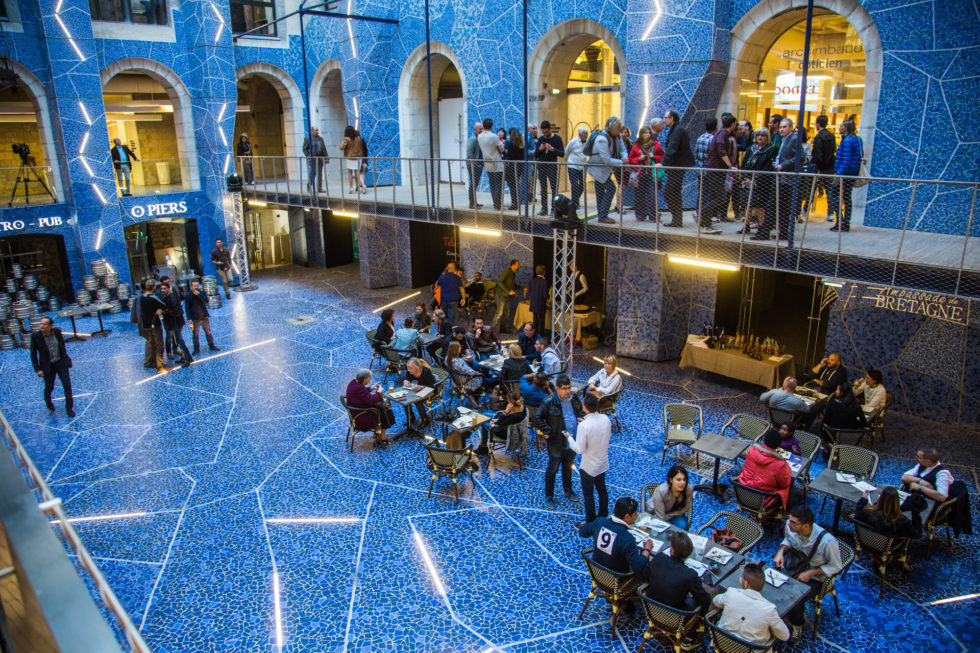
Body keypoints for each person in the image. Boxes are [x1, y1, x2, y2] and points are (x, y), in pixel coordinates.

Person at [774, 505, 843, 642]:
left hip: (815, 577)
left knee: (796, 598)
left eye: (794, 523)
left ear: (806, 525)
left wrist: (811, 573)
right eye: (789, 520)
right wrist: (780, 552)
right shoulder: (790, 527)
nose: (789, 524)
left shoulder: (828, 542)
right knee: (770, 580)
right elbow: (788, 540)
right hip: (794, 566)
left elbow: (836, 567)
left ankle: (797, 626)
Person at [712, 563, 790, 647]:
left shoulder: (731, 593)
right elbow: (785, 636)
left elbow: (716, 601)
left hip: (721, 643)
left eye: (741, 576)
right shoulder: (769, 609)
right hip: (750, 650)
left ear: (746, 583)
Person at [533, 375, 582, 509]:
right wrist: (548, 430)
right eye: (564, 388)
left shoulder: (574, 399)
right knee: (552, 469)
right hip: (557, 442)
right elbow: (536, 417)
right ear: (557, 389)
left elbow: (581, 411)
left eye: (569, 388)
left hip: (572, 441)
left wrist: (581, 419)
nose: (568, 391)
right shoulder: (549, 402)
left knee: (568, 467)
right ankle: (549, 496)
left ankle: (568, 490)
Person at [566, 393, 612, 526]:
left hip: (589, 466)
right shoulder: (605, 419)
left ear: (584, 407)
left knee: (588, 494)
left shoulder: (584, 426)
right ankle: (603, 514)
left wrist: (569, 438)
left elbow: (579, 449)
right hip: (602, 462)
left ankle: (590, 521)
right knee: (602, 490)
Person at [640, 531, 712, 615]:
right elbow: (705, 600)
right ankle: (701, 620)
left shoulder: (659, 558)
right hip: (675, 617)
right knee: (701, 599)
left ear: (671, 549)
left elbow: (645, 577)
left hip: (650, 609)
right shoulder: (690, 575)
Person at [578, 497, 652, 575]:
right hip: (616, 578)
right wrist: (647, 549)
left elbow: (582, 532)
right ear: (627, 516)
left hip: (596, 571)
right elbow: (638, 567)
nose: (637, 516)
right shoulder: (627, 538)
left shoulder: (600, 521)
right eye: (635, 514)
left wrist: (602, 522)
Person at [30, 315, 75, 417]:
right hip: (48, 365)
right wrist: (37, 369)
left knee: (67, 385)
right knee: (49, 387)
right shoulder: (35, 337)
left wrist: (65, 358)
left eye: (44, 324)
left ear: (50, 326)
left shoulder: (57, 332)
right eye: (41, 324)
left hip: (60, 363)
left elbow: (62, 346)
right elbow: (33, 354)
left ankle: (69, 408)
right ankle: (48, 403)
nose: (42, 326)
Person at [587, 116, 627, 224]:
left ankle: (601, 215)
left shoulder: (617, 135)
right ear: (611, 127)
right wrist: (622, 162)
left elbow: (622, 149)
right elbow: (606, 160)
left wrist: (625, 157)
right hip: (598, 169)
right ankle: (603, 215)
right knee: (611, 188)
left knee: (600, 191)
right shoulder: (601, 139)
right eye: (618, 127)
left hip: (606, 169)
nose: (620, 129)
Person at [739, 429, 793, 508]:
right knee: (787, 486)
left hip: (743, 491)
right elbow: (785, 484)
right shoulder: (779, 464)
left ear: (764, 440)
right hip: (763, 498)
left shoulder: (751, 450)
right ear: (778, 445)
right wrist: (786, 467)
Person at [703, 114, 739, 228]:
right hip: (716, 170)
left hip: (714, 170)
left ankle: (705, 221)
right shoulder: (723, 134)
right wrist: (730, 166)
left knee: (714, 196)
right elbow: (721, 150)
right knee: (720, 197)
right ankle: (702, 214)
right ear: (733, 124)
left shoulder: (720, 133)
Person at [742, 129, 778, 238]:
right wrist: (746, 178)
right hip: (748, 181)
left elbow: (768, 167)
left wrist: (756, 180)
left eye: (763, 135)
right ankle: (746, 226)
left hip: (762, 182)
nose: (760, 137)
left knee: (759, 206)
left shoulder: (770, 150)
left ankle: (762, 228)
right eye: (758, 135)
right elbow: (744, 164)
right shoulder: (751, 149)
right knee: (748, 204)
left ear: (767, 138)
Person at [901, 447, 954, 523]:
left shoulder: (942, 473)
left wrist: (920, 487)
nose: (916, 458)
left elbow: (942, 496)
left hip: (928, 504)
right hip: (917, 498)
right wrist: (919, 480)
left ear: (928, 461)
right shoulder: (922, 465)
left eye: (919, 457)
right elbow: (904, 477)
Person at [661, 110, 695, 227]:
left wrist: (663, 163)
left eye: (666, 118)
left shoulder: (677, 130)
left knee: (668, 192)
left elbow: (672, 148)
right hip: (677, 166)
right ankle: (677, 220)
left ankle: (676, 218)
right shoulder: (677, 129)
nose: (664, 120)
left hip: (676, 167)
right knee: (675, 193)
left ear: (672, 118)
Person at [345, 368, 392, 445]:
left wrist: (371, 388)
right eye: (369, 378)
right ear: (365, 379)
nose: (369, 380)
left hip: (354, 414)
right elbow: (372, 401)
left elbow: (362, 393)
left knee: (382, 408)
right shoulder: (360, 388)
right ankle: (382, 437)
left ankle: (377, 433)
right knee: (386, 411)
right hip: (362, 418)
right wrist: (378, 392)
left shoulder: (353, 382)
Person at [855, 486, 921, 539]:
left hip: (867, 541)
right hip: (889, 548)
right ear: (897, 502)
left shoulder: (868, 513)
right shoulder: (902, 522)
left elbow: (857, 515)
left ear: (880, 498)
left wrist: (863, 500)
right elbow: (917, 535)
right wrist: (915, 513)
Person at [628, 125, 664, 222]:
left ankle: (653, 216)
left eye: (649, 133)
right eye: (645, 133)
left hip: (651, 174)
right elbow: (630, 159)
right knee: (639, 195)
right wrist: (638, 159)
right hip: (640, 175)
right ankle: (640, 215)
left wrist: (654, 157)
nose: (648, 134)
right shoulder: (636, 146)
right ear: (641, 134)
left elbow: (662, 156)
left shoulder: (656, 145)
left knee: (652, 195)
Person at [832, 119, 863, 232]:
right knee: (847, 197)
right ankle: (845, 222)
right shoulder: (857, 139)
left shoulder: (847, 141)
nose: (839, 128)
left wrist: (838, 174)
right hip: (852, 173)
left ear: (846, 128)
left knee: (834, 195)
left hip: (845, 174)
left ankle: (840, 221)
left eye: (841, 126)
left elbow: (846, 160)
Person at [773, 118, 799, 239]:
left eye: (784, 127)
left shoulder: (793, 139)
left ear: (791, 128)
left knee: (784, 207)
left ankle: (784, 232)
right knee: (781, 206)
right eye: (781, 127)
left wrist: (783, 165)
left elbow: (800, 157)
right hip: (782, 178)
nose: (782, 129)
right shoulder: (784, 140)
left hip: (788, 179)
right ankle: (782, 232)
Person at [534, 120, 565, 215]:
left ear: (550, 129)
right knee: (543, 188)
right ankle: (544, 209)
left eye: (546, 132)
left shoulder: (557, 138)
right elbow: (535, 154)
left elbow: (562, 153)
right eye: (543, 132)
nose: (545, 134)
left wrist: (552, 149)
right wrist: (540, 149)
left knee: (554, 188)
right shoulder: (540, 139)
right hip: (542, 166)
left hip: (552, 166)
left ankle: (553, 209)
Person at [811, 115, 837, 223]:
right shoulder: (831, 136)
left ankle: (805, 208)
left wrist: (818, 167)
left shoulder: (818, 137)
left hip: (821, 168)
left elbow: (818, 154)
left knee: (812, 189)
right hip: (830, 167)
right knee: (829, 191)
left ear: (818, 123)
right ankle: (830, 212)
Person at [159, 282, 192, 367]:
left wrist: (165, 311)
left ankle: (188, 358)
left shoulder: (171, 298)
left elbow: (176, 311)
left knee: (180, 341)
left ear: (168, 288)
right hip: (175, 323)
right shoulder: (167, 297)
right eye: (161, 288)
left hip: (176, 323)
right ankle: (185, 357)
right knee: (178, 340)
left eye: (164, 288)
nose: (162, 290)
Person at [184, 278, 219, 355]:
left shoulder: (202, 292)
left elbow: (206, 301)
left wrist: (199, 295)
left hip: (204, 317)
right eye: (194, 286)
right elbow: (187, 308)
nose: (196, 287)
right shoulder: (188, 295)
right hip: (194, 319)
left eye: (197, 285)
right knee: (195, 334)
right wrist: (189, 318)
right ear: (191, 286)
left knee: (208, 332)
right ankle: (196, 349)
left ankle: (211, 345)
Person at [446, 341, 486, 407]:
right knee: (483, 378)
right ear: (456, 350)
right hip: (466, 380)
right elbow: (471, 372)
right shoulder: (459, 362)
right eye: (459, 347)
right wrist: (479, 373)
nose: (461, 348)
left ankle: (468, 393)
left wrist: (462, 359)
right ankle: (474, 399)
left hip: (457, 380)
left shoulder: (447, 359)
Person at [140, 279, 167, 372]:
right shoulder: (153, 298)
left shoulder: (142, 297)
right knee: (159, 345)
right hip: (155, 325)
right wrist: (159, 310)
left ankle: (153, 362)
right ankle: (160, 366)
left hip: (146, 326)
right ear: (154, 287)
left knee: (151, 344)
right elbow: (164, 306)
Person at [478, 118, 505, 210]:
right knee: (498, 185)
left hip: (487, 163)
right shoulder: (494, 136)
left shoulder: (479, 137)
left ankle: (495, 204)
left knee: (492, 185)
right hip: (497, 163)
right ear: (492, 126)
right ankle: (498, 205)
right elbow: (501, 148)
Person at [404, 357, 437, 426]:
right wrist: (406, 381)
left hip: (430, 390)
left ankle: (424, 419)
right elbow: (406, 379)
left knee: (417, 401)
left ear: (417, 368)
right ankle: (411, 417)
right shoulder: (409, 371)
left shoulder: (425, 372)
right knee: (404, 398)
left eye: (411, 368)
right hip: (416, 390)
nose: (408, 370)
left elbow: (432, 386)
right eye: (407, 367)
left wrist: (421, 387)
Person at [493, 259, 521, 334]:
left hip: (506, 296)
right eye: (517, 265)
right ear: (513, 265)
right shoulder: (507, 271)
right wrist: (508, 291)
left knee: (506, 313)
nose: (519, 266)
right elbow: (499, 282)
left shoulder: (513, 273)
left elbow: (514, 286)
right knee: (499, 313)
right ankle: (491, 331)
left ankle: (502, 328)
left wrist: (522, 288)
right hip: (500, 295)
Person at [435, 262, 466, 326]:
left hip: (444, 300)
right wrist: (463, 298)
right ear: (454, 269)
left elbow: (436, 287)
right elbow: (461, 288)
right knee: (451, 317)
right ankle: (449, 328)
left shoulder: (442, 277)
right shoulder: (457, 278)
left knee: (445, 315)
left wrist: (440, 278)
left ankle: (444, 327)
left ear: (447, 268)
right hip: (453, 300)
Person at [565, 125, 589, 208]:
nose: (586, 135)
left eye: (587, 133)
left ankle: (574, 200)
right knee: (575, 185)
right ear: (579, 134)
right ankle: (575, 203)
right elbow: (566, 151)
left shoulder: (588, 142)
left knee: (582, 185)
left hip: (582, 166)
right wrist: (570, 160)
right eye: (584, 133)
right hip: (573, 166)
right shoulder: (573, 141)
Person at [340, 125, 365, 194]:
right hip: (358, 157)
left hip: (350, 157)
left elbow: (341, 147)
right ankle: (361, 185)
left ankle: (351, 188)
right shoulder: (358, 137)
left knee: (350, 173)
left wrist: (344, 140)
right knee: (357, 172)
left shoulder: (347, 139)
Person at [303, 126, 328, 193]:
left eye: (318, 130)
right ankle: (309, 186)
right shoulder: (308, 139)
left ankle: (319, 187)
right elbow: (304, 149)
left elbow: (324, 149)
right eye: (316, 130)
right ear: (312, 131)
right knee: (313, 173)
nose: (317, 132)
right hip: (313, 158)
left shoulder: (320, 139)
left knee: (319, 173)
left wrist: (326, 157)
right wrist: (308, 155)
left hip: (320, 158)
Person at [504, 128, 524, 210]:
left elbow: (510, 157)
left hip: (511, 168)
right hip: (519, 167)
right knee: (516, 185)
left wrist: (505, 152)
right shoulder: (521, 144)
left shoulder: (511, 144)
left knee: (512, 187)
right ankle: (517, 202)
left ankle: (514, 204)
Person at [466, 122, 484, 208]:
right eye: (480, 129)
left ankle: (474, 202)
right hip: (474, 165)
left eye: (482, 128)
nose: (481, 130)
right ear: (475, 129)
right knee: (473, 184)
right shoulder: (473, 139)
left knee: (475, 184)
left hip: (478, 164)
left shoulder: (479, 138)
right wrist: (473, 164)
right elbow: (469, 153)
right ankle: (472, 203)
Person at [527, 264, 548, 335]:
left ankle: (534, 335)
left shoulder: (531, 281)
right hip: (541, 305)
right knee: (541, 322)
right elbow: (545, 295)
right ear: (544, 272)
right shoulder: (544, 282)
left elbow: (529, 293)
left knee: (535, 321)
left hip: (533, 305)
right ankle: (540, 336)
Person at [522, 123, 539, 204]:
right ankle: (523, 198)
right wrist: (533, 152)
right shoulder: (528, 137)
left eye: (536, 128)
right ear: (528, 129)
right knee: (526, 181)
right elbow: (524, 149)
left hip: (532, 162)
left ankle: (527, 197)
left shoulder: (532, 138)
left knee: (529, 181)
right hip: (528, 162)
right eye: (533, 128)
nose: (535, 130)